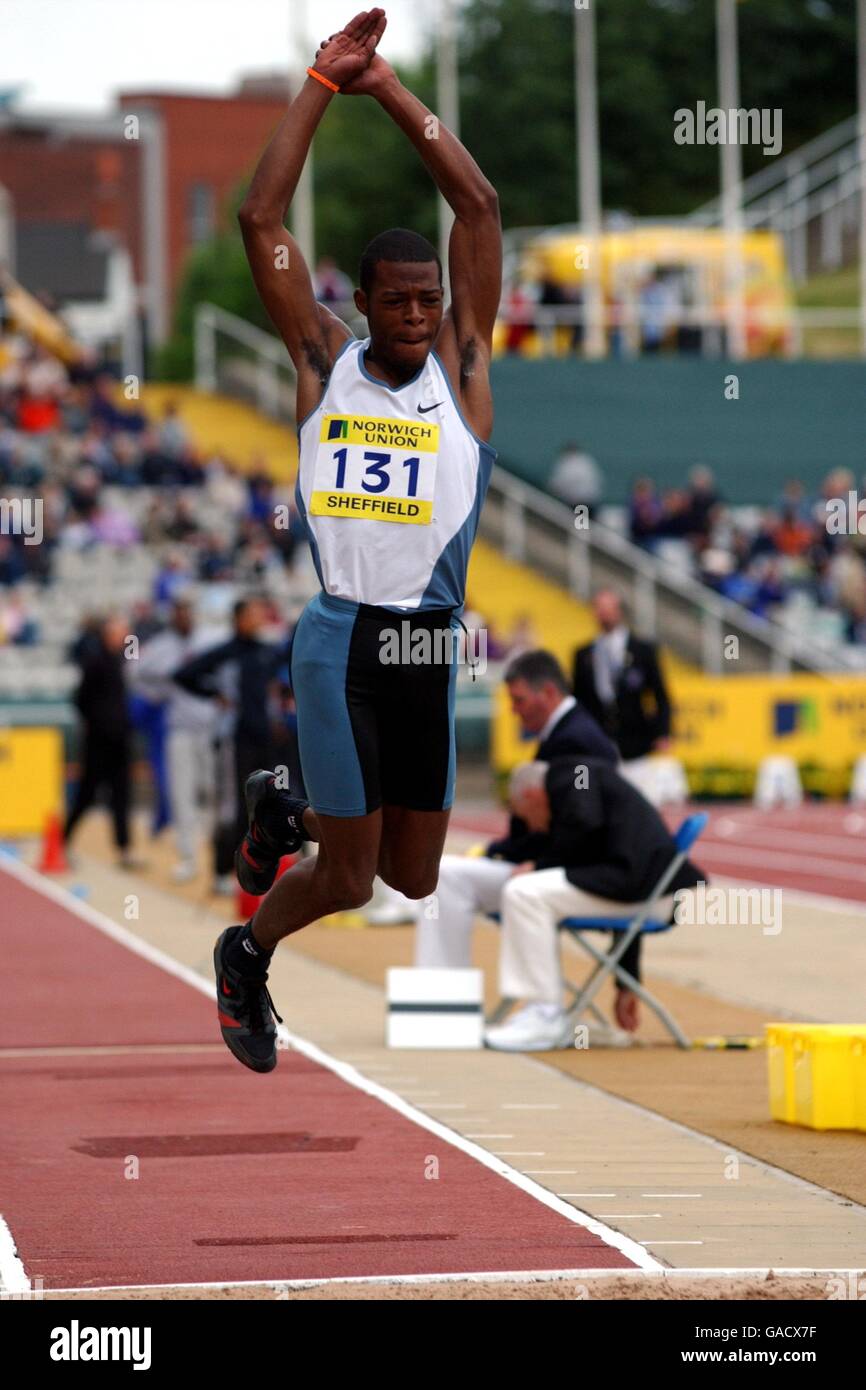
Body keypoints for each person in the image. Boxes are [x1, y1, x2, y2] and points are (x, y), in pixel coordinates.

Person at [212, 7, 502, 1073]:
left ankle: (280, 804)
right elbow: (258, 212)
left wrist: (389, 90)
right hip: (338, 640)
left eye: (430, 297)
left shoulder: (464, 371)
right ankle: (246, 951)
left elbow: (475, 203)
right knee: (345, 877)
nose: (420, 314)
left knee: (413, 880)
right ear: (365, 304)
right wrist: (322, 85)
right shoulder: (323, 361)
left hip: (427, 643)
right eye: (400, 301)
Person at [414, 650, 618, 983]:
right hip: (559, 867)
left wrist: (524, 860)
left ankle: (443, 994)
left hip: (569, 875)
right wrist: (498, 852)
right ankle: (444, 995)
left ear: (548, 693)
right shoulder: (571, 732)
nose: (513, 710)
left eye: (519, 700)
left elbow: (581, 826)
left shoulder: (576, 740)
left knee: (446, 877)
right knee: (449, 874)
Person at [484, 758, 705, 1052]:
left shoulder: (572, 777)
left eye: (525, 817)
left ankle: (544, 1014)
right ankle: (545, 1012)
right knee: (527, 892)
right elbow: (619, 870)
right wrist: (627, 982)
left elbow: (585, 826)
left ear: (531, 795)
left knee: (522, 893)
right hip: (647, 894)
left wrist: (539, 865)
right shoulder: (585, 779)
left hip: (647, 897)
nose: (534, 828)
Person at [174, 596, 288, 895]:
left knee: (270, 803)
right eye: (252, 613)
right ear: (237, 618)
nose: (258, 618)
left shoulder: (267, 652)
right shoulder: (226, 653)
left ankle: (262, 871)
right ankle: (223, 871)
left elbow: (284, 679)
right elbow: (184, 675)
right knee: (233, 807)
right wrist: (215, 694)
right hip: (234, 740)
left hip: (265, 738)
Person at [131, 597, 217, 883]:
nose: (184, 617)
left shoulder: (210, 640)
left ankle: (222, 858)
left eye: (187, 611)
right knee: (181, 793)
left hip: (212, 727)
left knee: (215, 791)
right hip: (179, 728)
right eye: (178, 612)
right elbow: (134, 672)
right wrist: (159, 694)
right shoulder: (161, 646)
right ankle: (188, 857)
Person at [64, 614, 138, 868]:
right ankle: (63, 840)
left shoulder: (123, 663)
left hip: (120, 740)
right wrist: (95, 723)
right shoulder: (94, 662)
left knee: (122, 797)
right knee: (86, 794)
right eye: (121, 632)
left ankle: (124, 850)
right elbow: (81, 698)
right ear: (109, 634)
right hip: (98, 741)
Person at [572, 589, 671, 764]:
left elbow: (660, 694)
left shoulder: (642, 650)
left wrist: (663, 732)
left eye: (607, 608)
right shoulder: (584, 654)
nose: (603, 613)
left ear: (619, 611)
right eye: (599, 608)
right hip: (598, 741)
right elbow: (578, 698)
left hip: (636, 741)